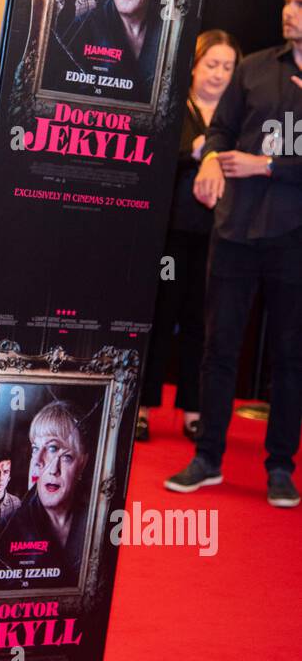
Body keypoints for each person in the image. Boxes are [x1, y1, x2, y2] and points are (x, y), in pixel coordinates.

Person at [165, 0, 302, 508]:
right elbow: (220, 131)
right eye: (289, 0)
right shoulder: (253, 69)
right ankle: (209, 457)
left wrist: (268, 164)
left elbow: (266, 158)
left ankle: (280, 466)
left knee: (291, 357)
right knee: (218, 348)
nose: (290, 10)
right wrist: (216, 161)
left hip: (294, 238)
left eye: (300, 3)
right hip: (235, 230)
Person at [136, 30, 240, 442]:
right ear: (194, 65)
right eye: (211, 64)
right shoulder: (173, 106)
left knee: (203, 322)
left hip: (218, 234)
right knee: (161, 316)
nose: (218, 74)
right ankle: (143, 406)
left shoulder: (236, 116)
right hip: (172, 233)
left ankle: (194, 410)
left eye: (228, 67)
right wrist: (193, 150)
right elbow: (155, 157)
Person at [0, 402, 90, 587]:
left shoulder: (96, 518)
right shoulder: (8, 526)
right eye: (35, 449)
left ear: (83, 462)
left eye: (53, 449)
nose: (37, 461)